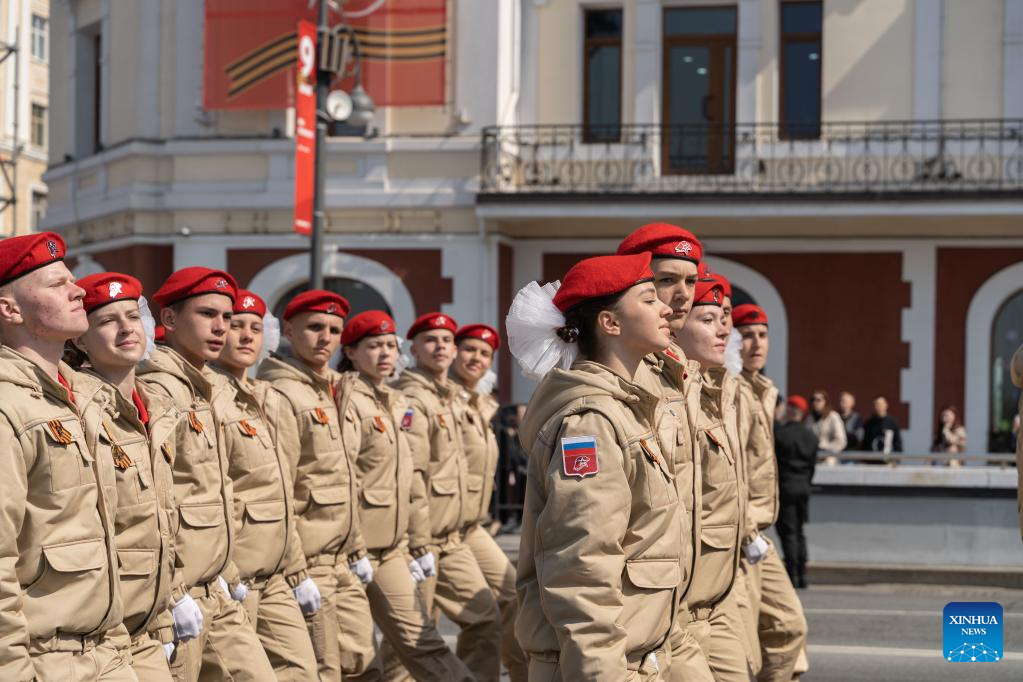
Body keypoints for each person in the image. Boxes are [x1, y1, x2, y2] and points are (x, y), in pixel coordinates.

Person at [509, 252, 681, 681]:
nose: (666, 307)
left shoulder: (625, 409)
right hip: (599, 666)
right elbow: (582, 566)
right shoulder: (591, 421)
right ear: (610, 323)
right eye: (647, 298)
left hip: (632, 657)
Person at [0, 233, 135, 681]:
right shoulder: (8, 406)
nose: (79, 290)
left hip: (110, 647)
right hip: (46, 659)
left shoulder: (83, 399)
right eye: (57, 284)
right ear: (10, 309)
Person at [137, 267, 276, 681]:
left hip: (216, 585)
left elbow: (216, 489)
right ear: (170, 320)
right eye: (207, 315)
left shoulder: (203, 388)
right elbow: (154, 500)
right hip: (181, 595)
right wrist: (175, 593)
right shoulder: (160, 390)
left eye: (226, 318)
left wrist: (228, 572)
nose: (221, 328)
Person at [335, 310, 473, 682]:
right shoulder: (347, 398)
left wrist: (417, 542)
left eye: (389, 346)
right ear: (351, 352)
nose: (384, 354)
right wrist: (355, 544)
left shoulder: (394, 402)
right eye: (374, 346)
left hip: (392, 548)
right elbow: (343, 478)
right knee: (360, 661)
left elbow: (411, 481)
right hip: (353, 551)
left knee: (424, 642)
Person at [256, 290, 378, 681]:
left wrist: (357, 546)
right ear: (288, 331)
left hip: (343, 555)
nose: (325, 337)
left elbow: (347, 478)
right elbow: (282, 489)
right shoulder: (282, 392)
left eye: (333, 329)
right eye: (314, 327)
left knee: (360, 661)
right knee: (324, 669)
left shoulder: (340, 388)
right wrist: (295, 569)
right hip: (309, 560)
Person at [69, 273, 181, 681]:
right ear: (80, 339)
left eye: (132, 316)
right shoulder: (78, 409)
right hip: (104, 628)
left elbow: (166, 515)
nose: (126, 328)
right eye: (107, 321)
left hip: (153, 619)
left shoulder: (159, 408)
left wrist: (176, 596)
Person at [616, 222, 712, 682]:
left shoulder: (677, 368)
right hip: (631, 608)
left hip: (677, 598)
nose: (683, 294)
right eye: (666, 280)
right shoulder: (624, 371)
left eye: (690, 281)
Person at [209, 290, 320, 680]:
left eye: (255, 328)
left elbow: (283, 492)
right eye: (235, 326)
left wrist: (296, 567)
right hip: (233, 577)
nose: (245, 337)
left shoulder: (267, 397)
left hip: (274, 573)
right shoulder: (209, 396)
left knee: (303, 671)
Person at [385, 312, 501, 682]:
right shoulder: (411, 398)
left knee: (485, 616)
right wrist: (418, 542)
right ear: (413, 348)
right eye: (431, 340)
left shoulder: (453, 398)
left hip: (454, 533)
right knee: (414, 638)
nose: (441, 347)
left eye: (446, 341)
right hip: (421, 536)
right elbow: (412, 476)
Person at [673, 276, 751, 682]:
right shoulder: (663, 400)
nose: (725, 329)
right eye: (709, 318)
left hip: (717, 594)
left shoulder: (719, 391)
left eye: (725, 318)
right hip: (675, 609)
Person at [732, 304, 808, 682]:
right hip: (736, 535)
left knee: (789, 627)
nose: (755, 344)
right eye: (746, 335)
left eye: (762, 335)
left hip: (758, 535)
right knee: (744, 647)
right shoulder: (731, 390)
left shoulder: (762, 389)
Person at [450, 323, 528, 682]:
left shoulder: (483, 405)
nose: (476, 358)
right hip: (433, 530)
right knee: (412, 630)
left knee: (512, 596)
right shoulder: (438, 399)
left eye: (484, 354)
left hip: (470, 527)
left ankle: (519, 673)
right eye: (469, 350)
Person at [774, 396, 819, 588]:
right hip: (803, 487)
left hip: (786, 486)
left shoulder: (780, 434)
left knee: (788, 532)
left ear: (791, 411)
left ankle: (792, 573)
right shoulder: (811, 436)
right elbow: (812, 466)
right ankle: (802, 572)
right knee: (800, 531)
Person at [806, 390, 847, 464]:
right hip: (813, 456)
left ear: (825, 402)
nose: (815, 402)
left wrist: (826, 449)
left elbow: (841, 441)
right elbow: (806, 438)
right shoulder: (810, 418)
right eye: (813, 400)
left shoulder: (833, 417)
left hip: (829, 457)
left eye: (818, 400)